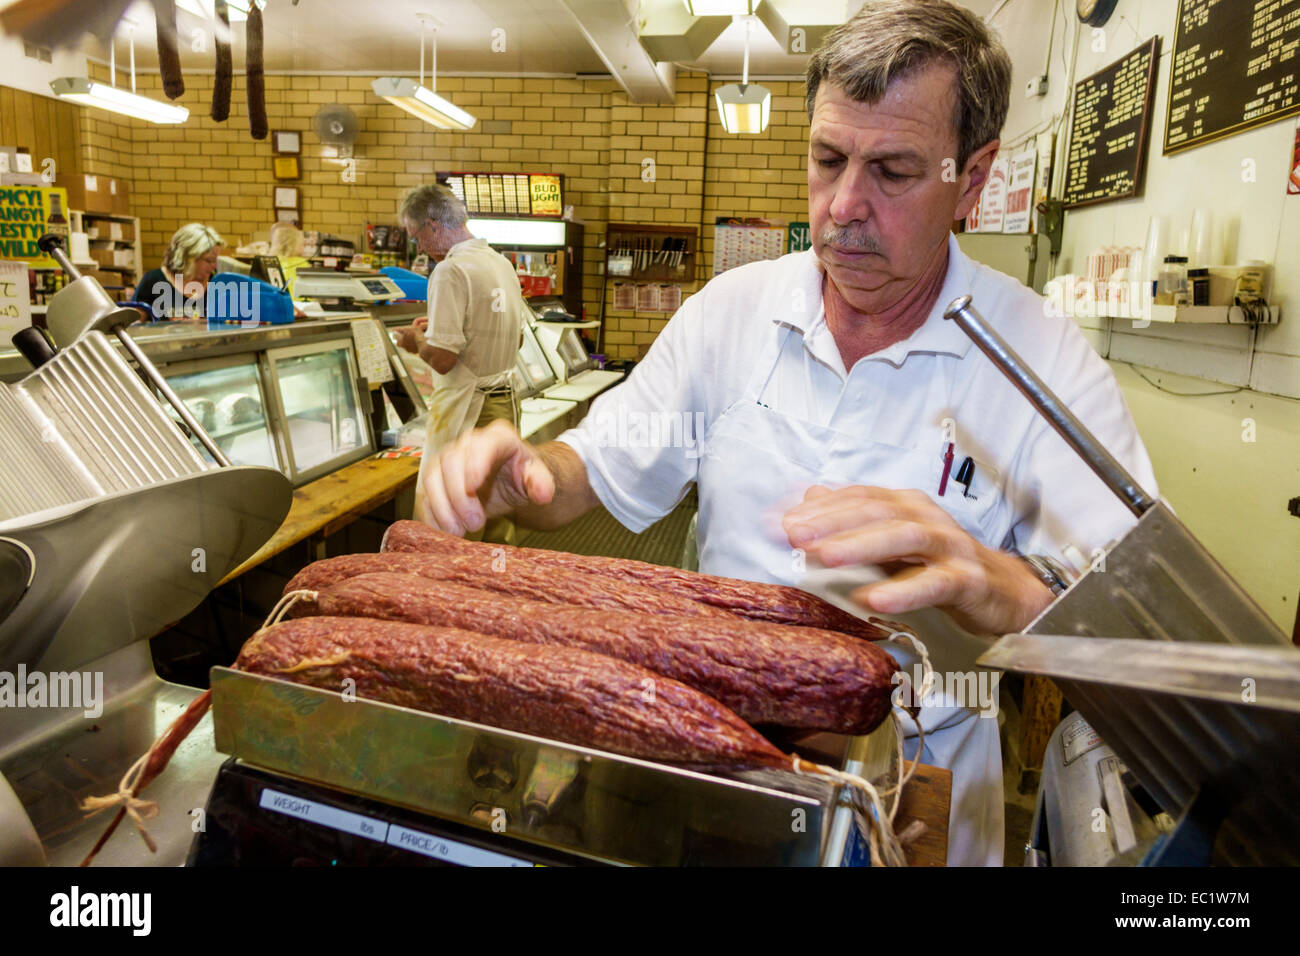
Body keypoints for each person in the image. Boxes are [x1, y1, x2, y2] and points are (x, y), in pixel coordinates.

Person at [416, 0, 1157, 866]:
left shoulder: (1042, 360)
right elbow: (593, 472)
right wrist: (526, 474)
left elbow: (1138, 637)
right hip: (716, 762)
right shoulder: (732, 313)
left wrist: (999, 584)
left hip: (921, 788)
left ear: (975, 176)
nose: (843, 206)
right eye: (829, 158)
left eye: (893, 171)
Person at [395, 183, 526, 544]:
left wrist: (415, 341)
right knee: (496, 512)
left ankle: (450, 597)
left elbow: (442, 359)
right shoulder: (500, 263)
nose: (418, 247)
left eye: (416, 236)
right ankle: (496, 594)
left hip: (470, 412)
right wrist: (436, 332)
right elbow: (517, 339)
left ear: (434, 226)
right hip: (505, 406)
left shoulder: (450, 271)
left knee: (453, 523)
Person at [133, 223, 223, 321]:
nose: (214, 266)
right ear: (188, 258)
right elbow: (134, 324)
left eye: (215, 260)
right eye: (209, 260)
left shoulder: (216, 283)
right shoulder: (153, 281)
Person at [268, 221, 311, 292]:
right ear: (296, 244)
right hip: (297, 302)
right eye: (303, 245)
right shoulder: (301, 263)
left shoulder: (269, 262)